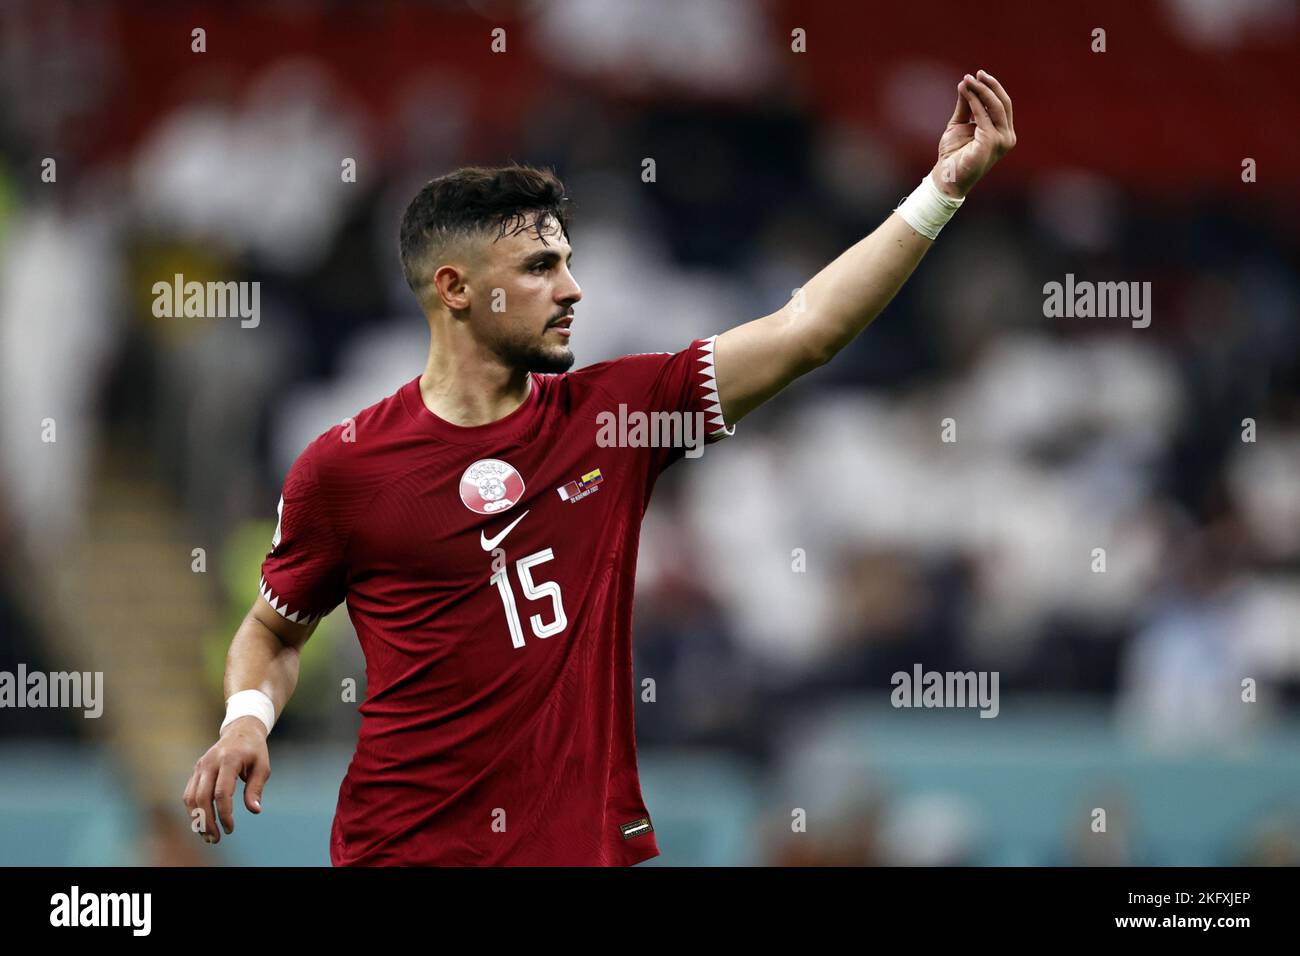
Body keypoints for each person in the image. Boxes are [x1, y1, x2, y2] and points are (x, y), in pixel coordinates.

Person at [182, 70, 1016, 865]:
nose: (573, 289)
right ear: (457, 289)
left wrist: (939, 192)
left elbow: (807, 330)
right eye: (542, 268)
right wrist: (248, 719)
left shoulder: (615, 419)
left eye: (568, 262)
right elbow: (272, 628)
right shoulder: (346, 467)